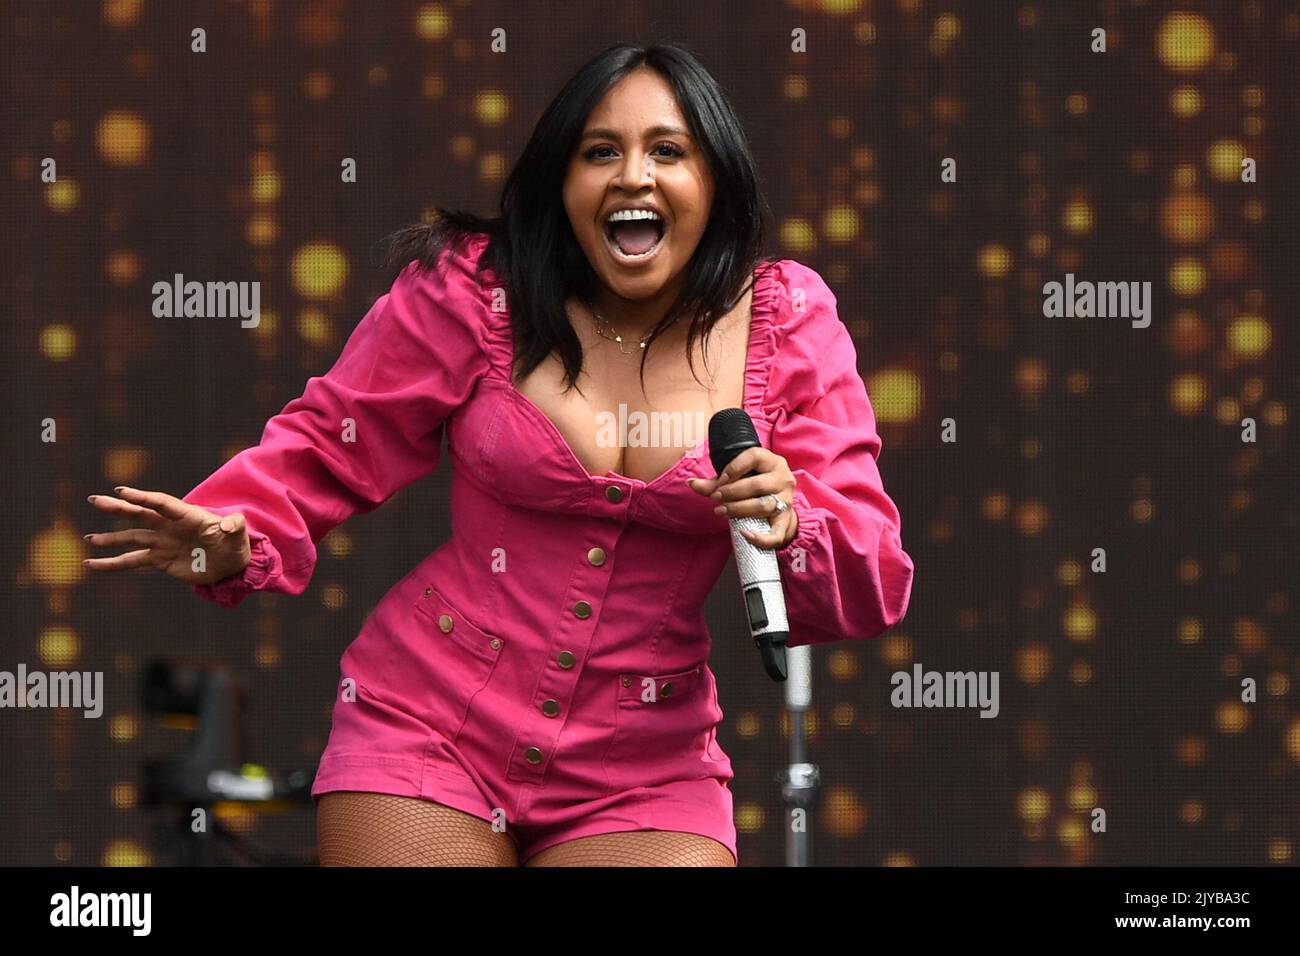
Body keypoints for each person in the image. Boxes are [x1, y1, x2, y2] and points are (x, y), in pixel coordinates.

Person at [83, 42, 914, 866]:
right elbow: (332, 438)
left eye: (668, 150)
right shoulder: (480, 289)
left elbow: (868, 576)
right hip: (428, 719)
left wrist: (790, 517)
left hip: (644, 764)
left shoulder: (790, 320)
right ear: (563, 181)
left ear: (717, 181)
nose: (633, 176)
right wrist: (237, 531)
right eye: (600, 152)